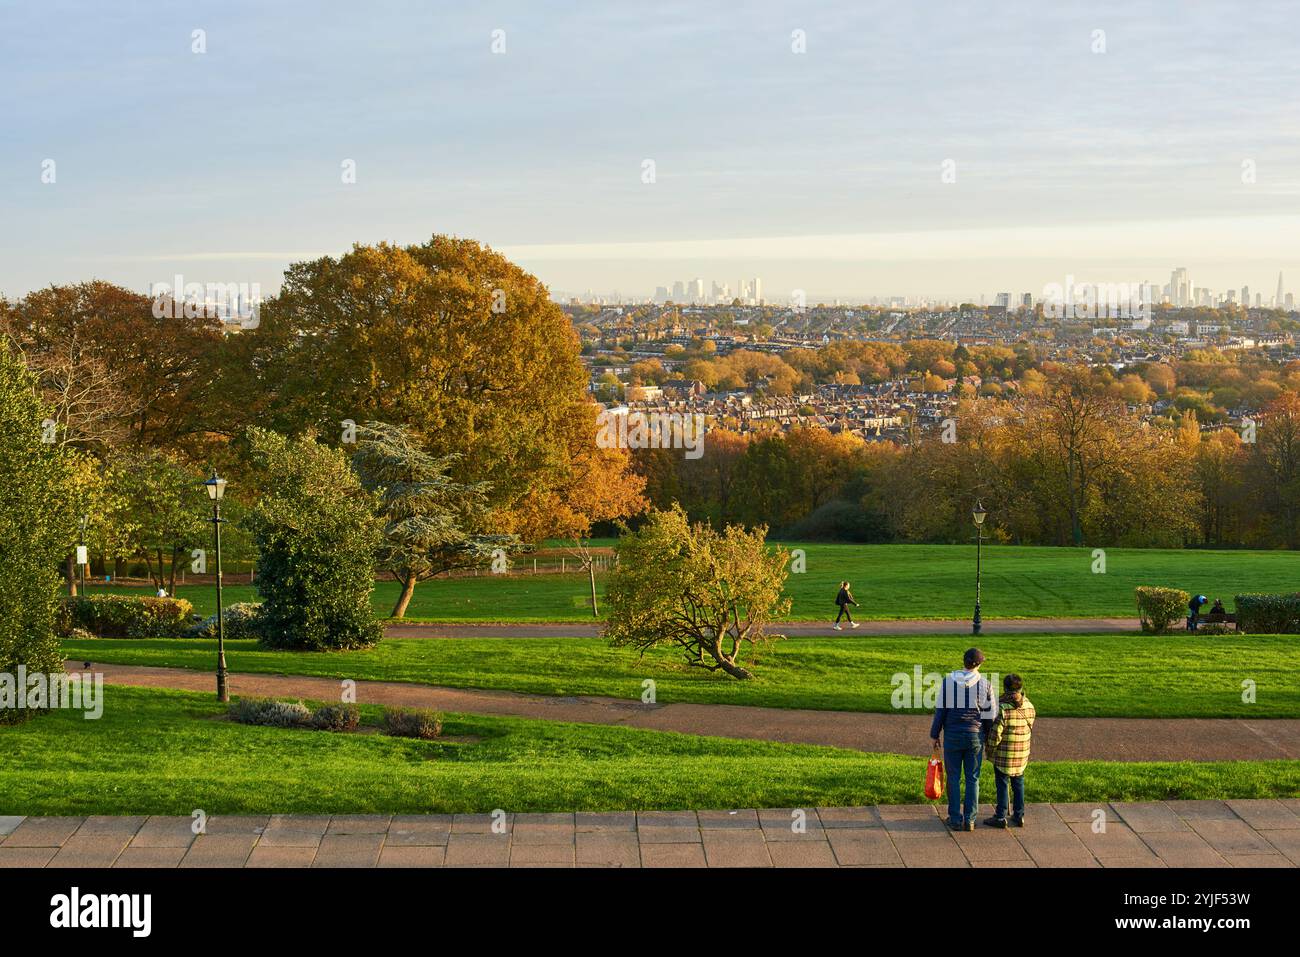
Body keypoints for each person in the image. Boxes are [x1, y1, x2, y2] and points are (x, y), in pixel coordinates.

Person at [929, 647, 994, 831]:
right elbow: (990, 715)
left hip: (953, 735)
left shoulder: (948, 682)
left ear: (963, 661)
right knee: (973, 778)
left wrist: (935, 734)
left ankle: (955, 818)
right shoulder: (985, 684)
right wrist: (987, 737)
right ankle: (971, 819)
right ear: (978, 664)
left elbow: (940, 711)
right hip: (975, 736)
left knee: (954, 777)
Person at [983, 673, 1036, 829]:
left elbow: (995, 736)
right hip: (1022, 754)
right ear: (1020, 687)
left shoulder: (1002, 709)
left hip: (1004, 756)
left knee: (1002, 784)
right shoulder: (1029, 705)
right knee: (1018, 784)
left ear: (1005, 688)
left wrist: (989, 749)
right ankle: (1019, 815)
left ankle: (1000, 816)